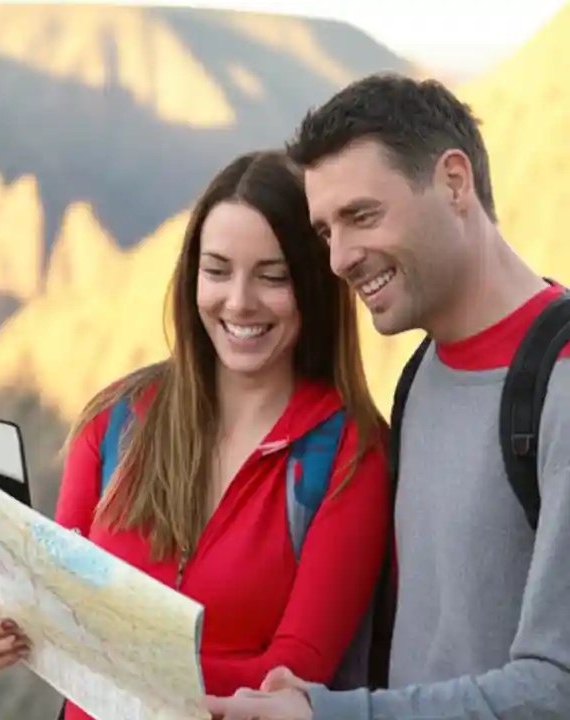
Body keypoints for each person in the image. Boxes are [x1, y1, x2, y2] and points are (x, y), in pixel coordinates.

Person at [0, 150, 392, 717]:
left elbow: (292, 676)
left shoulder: (349, 455)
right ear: (191, 279)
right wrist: (1, 626)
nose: (239, 301)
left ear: (312, 285)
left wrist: (98, 652)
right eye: (217, 271)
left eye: (273, 277)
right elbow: (52, 606)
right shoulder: (117, 422)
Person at [206, 74, 570, 720]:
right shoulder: (421, 374)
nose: (340, 258)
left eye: (362, 216)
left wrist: (328, 716)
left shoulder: (559, 385)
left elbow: (556, 688)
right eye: (325, 232)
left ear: (454, 183)